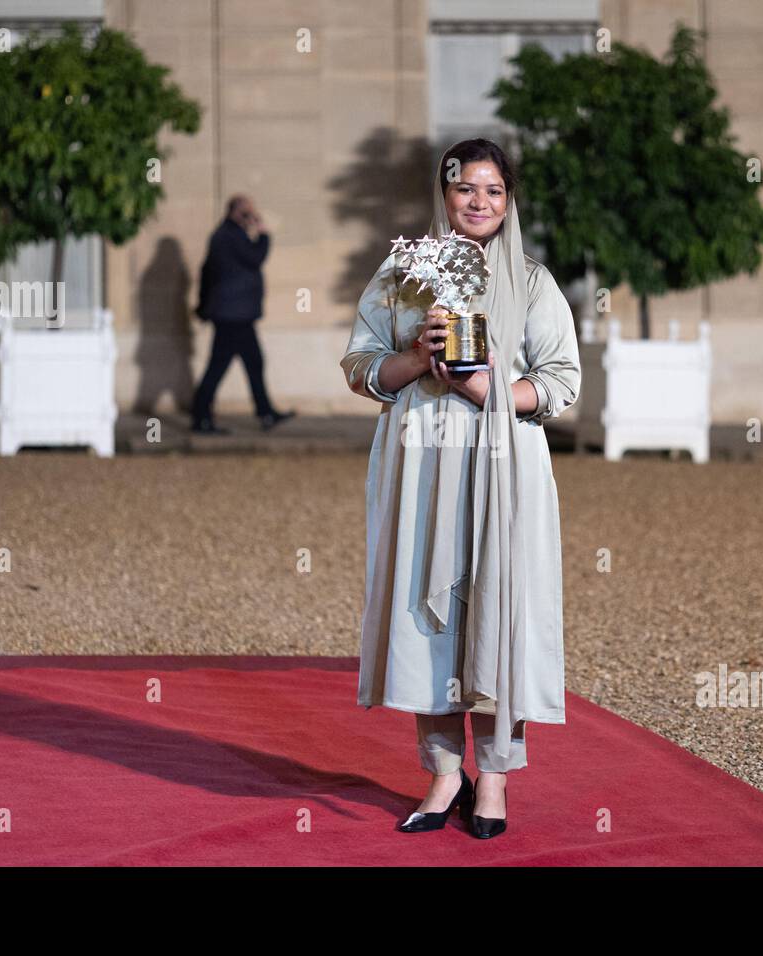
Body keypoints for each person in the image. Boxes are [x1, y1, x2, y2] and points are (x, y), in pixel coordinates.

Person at [340, 138, 581, 839]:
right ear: (443, 195)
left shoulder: (533, 281)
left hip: (505, 468)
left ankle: (496, 779)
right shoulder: (403, 274)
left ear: (510, 200)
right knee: (430, 614)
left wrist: (485, 386)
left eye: (493, 191)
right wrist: (417, 357)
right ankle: (445, 773)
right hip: (422, 467)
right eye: (465, 189)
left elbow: (563, 382)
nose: (479, 203)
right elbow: (359, 366)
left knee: (500, 614)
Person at [192, 194, 295, 433]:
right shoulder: (230, 236)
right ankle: (202, 417)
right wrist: (263, 233)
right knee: (220, 367)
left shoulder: (222, 235)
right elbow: (255, 257)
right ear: (238, 213)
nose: (253, 218)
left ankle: (264, 412)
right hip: (233, 316)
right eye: (249, 213)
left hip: (233, 314)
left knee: (251, 363)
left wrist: (203, 307)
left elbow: (206, 271)